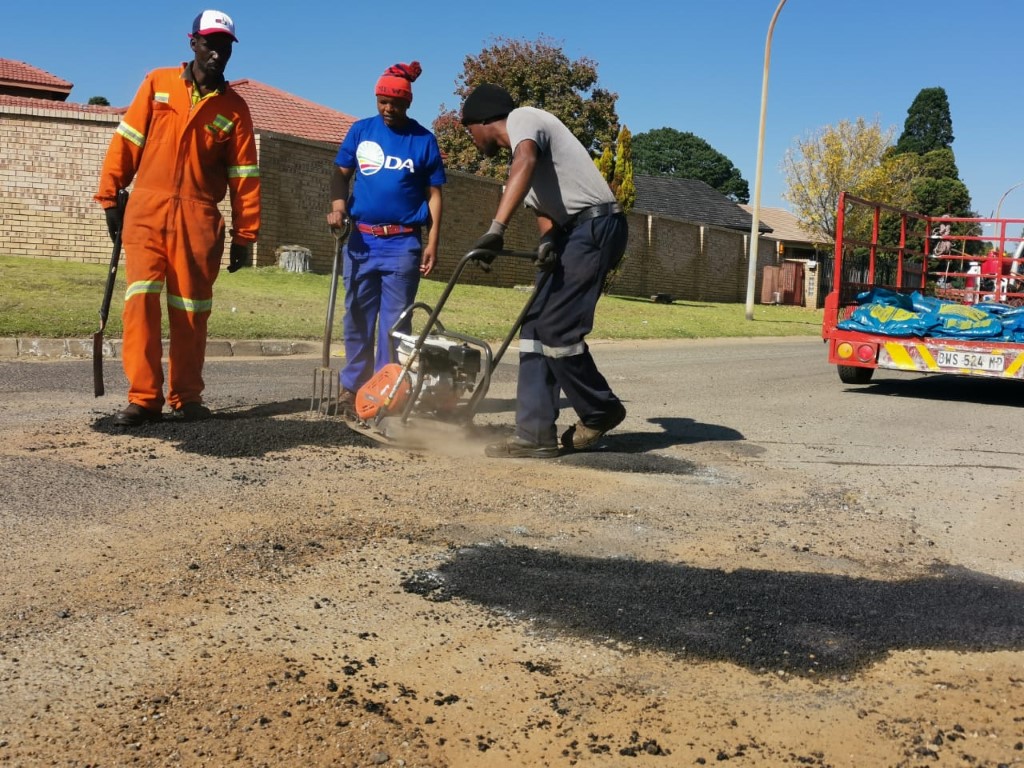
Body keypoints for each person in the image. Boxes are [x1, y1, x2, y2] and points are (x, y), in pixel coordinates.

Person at [95, 10, 260, 426]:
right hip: (147, 212)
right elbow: (127, 140)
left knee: (191, 310)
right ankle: (144, 399)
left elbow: (244, 176)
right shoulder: (158, 83)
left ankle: (187, 397)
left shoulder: (235, 109)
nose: (216, 53)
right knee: (141, 305)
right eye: (209, 43)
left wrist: (245, 236)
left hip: (199, 219)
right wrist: (111, 196)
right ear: (192, 43)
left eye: (224, 46)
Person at [461, 83, 628, 459]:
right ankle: (534, 434)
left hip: (596, 227)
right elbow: (543, 211)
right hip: (572, 233)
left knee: (558, 328)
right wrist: (548, 244)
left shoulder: (525, 120)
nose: (470, 138)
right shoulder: (521, 162)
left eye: (468, 129)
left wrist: (495, 230)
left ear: (483, 121)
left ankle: (601, 409)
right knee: (535, 326)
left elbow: (527, 162)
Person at [326, 62, 445, 407]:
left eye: (394, 103)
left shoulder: (423, 141)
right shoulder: (361, 132)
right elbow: (340, 175)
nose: (387, 109)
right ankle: (352, 387)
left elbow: (434, 194)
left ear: (408, 103)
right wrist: (338, 208)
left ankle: (386, 390)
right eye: (382, 102)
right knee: (358, 317)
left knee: (395, 325)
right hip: (362, 241)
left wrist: (433, 241)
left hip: (403, 243)